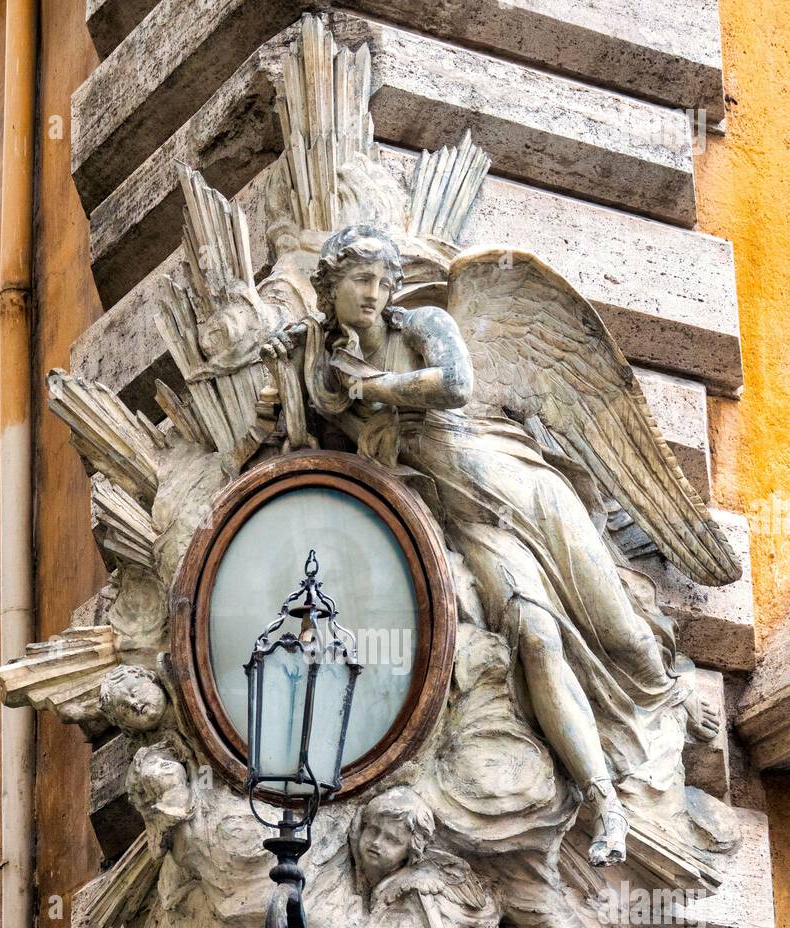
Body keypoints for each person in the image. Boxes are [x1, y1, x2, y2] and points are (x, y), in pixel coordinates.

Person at [262, 225, 719, 865]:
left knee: (621, 632)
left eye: (381, 280)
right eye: (357, 280)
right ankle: (603, 800)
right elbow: (292, 441)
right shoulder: (323, 370)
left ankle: (669, 690)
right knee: (534, 637)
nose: (372, 293)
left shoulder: (419, 325)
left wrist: (373, 389)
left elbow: (454, 385)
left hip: (523, 486)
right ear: (329, 286)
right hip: (469, 520)